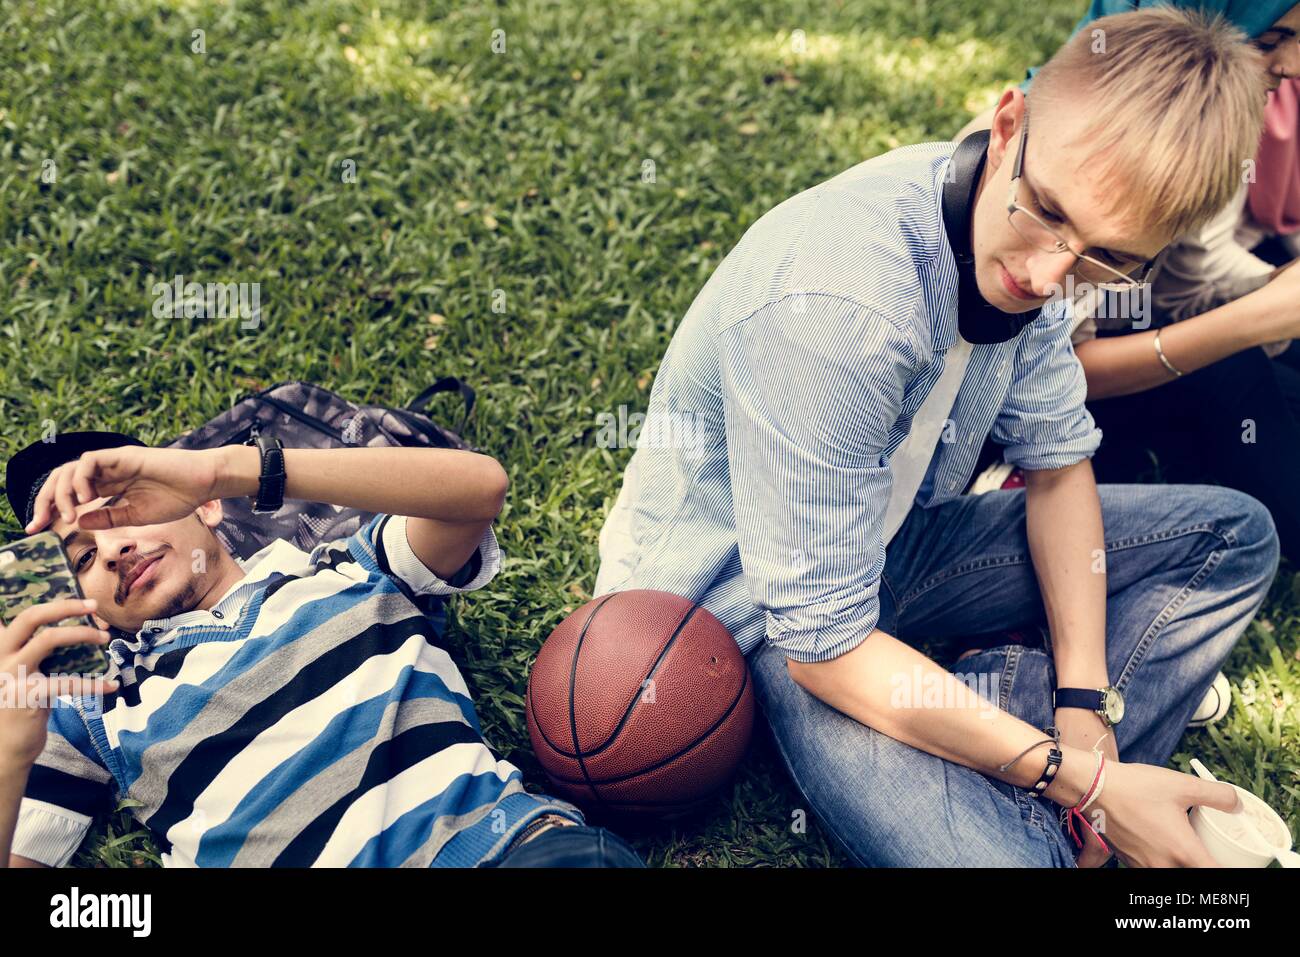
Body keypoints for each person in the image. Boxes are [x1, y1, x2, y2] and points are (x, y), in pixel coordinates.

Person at [593, 7, 1277, 867]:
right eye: (1046, 213)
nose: (1045, 274)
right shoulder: (842, 305)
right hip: (758, 618)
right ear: (1006, 124)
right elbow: (825, 647)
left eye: (1106, 257)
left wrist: (1082, 701)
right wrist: (1089, 782)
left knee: (1232, 536)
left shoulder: (1034, 248)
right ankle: (1046, 796)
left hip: (887, 547)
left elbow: (1059, 469)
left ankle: (1017, 722)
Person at [0, 433, 642, 868]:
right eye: (81, 558)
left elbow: (480, 490)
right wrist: (11, 749)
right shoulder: (93, 709)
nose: (111, 549)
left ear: (206, 506)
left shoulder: (347, 570)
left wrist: (226, 466)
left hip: (495, 851)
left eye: (122, 513)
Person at [961, 2, 1300, 560]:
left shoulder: (1187, 119)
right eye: (1271, 40)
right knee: (1232, 372)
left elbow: (1169, 283)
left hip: (1059, 395)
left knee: (1267, 382)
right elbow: (1043, 374)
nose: (1289, 65)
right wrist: (1253, 318)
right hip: (1012, 426)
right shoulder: (1095, 146)